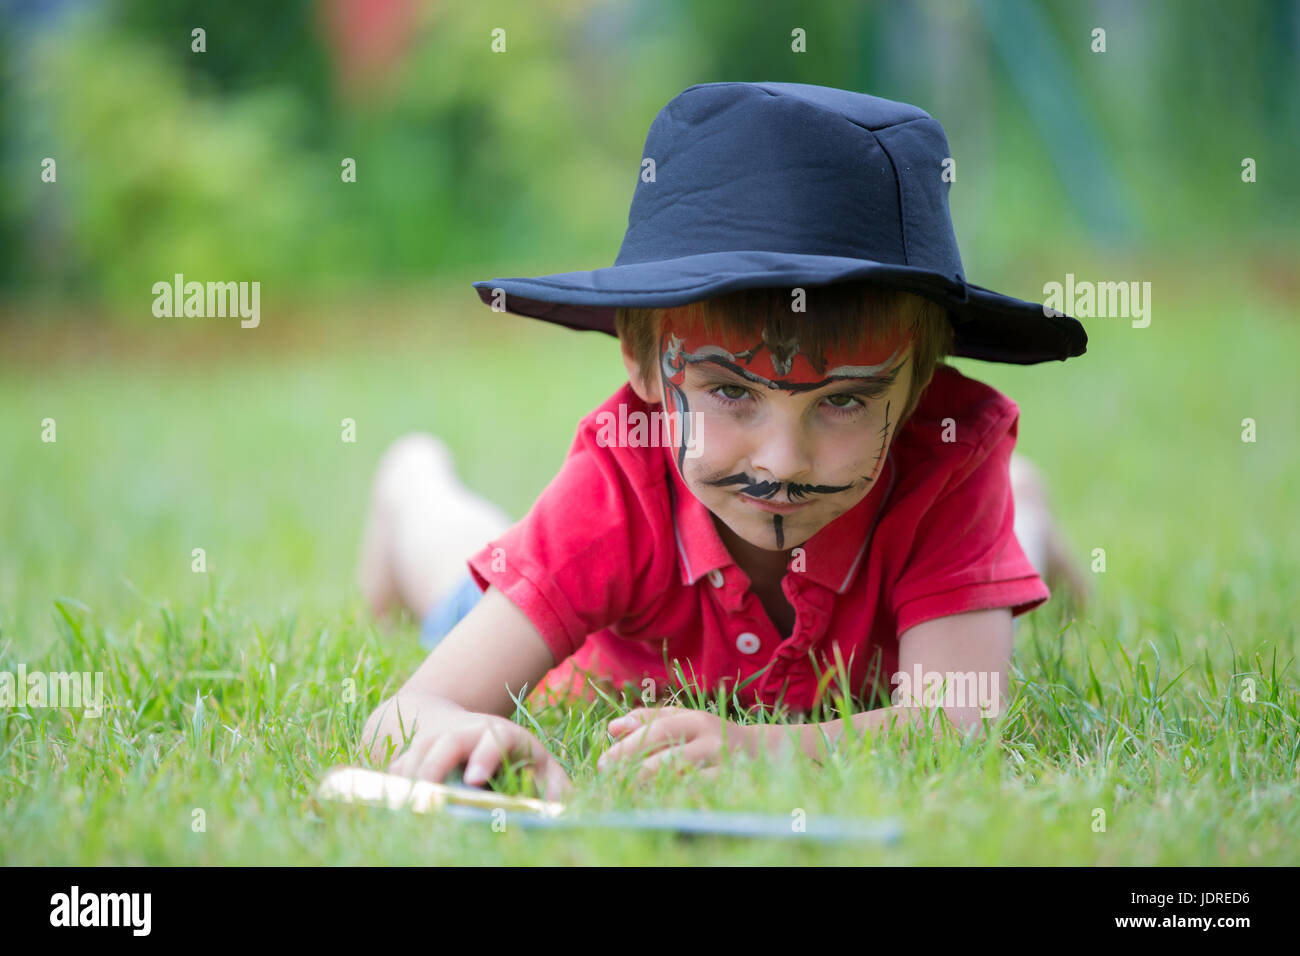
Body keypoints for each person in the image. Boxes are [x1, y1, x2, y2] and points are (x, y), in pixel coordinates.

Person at [359, 82, 1088, 797]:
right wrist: (468, 737)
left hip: (964, 517)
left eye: (845, 402)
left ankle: (1024, 513)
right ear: (645, 363)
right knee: (458, 580)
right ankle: (410, 485)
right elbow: (404, 714)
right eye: (731, 392)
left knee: (994, 548)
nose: (782, 461)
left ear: (920, 387)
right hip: (575, 651)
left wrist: (754, 748)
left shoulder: (949, 463)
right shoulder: (619, 487)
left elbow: (959, 721)